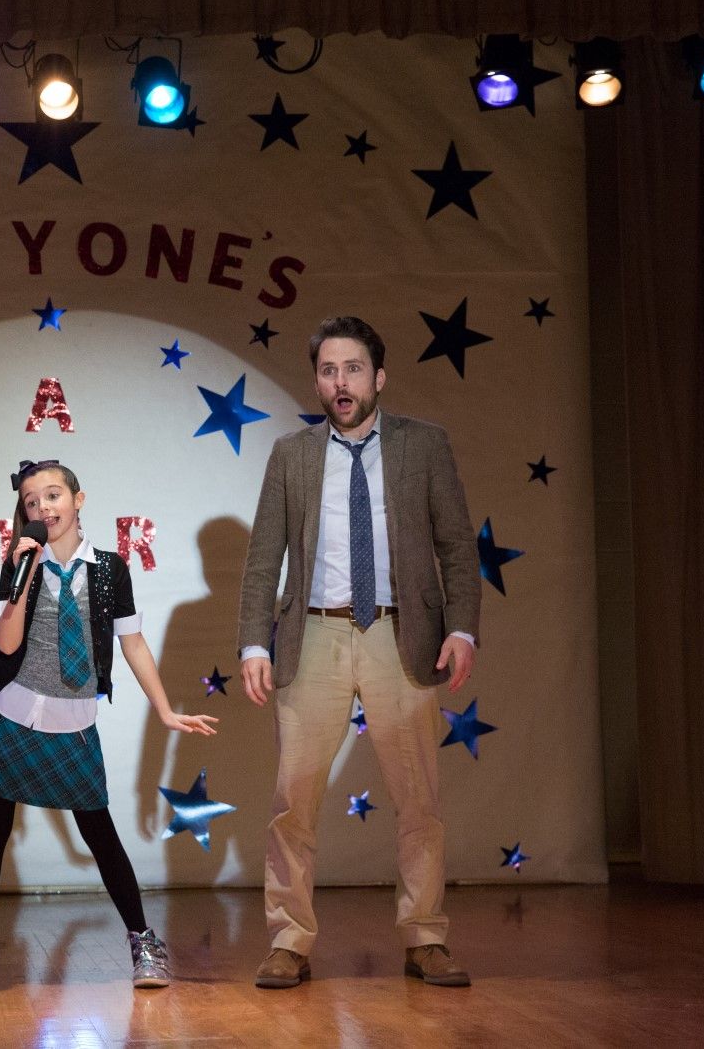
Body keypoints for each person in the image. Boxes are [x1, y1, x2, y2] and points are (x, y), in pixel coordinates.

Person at [238, 316, 481, 989]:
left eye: (352, 369)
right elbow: (265, 556)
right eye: (327, 370)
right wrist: (256, 639)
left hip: (401, 634)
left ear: (379, 377)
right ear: (316, 381)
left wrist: (461, 628)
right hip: (313, 632)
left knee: (420, 800)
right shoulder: (292, 453)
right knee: (295, 798)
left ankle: (425, 935)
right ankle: (289, 938)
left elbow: (457, 545)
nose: (339, 383)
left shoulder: (423, 446)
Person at [0, 459, 219, 993]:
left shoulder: (110, 570)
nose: (44, 508)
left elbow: (131, 642)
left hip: (73, 722)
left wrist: (163, 709)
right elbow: (9, 645)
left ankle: (142, 942)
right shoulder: (19, 563)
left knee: (99, 832)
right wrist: (23, 576)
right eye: (31, 502)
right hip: (10, 713)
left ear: (79, 499)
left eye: (53, 495)